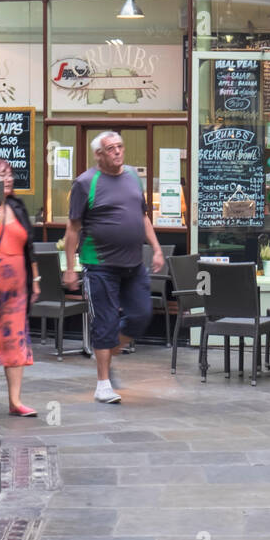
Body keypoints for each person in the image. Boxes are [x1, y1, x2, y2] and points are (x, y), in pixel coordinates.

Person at [63, 131, 165, 403]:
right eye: (111, 149)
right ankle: (103, 384)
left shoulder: (132, 176)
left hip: (133, 263)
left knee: (141, 315)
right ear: (99, 154)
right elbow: (73, 228)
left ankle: (109, 357)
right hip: (99, 266)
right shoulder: (85, 183)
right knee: (105, 323)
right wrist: (70, 267)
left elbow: (142, 216)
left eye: (120, 146)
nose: (118, 152)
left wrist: (156, 248)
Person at [0, 158, 39, 416]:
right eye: (2, 174)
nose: (8, 179)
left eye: (9, 174)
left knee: (16, 341)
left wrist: (36, 280)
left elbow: (29, 246)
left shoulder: (17, 207)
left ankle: (15, 401)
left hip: (17, 291)